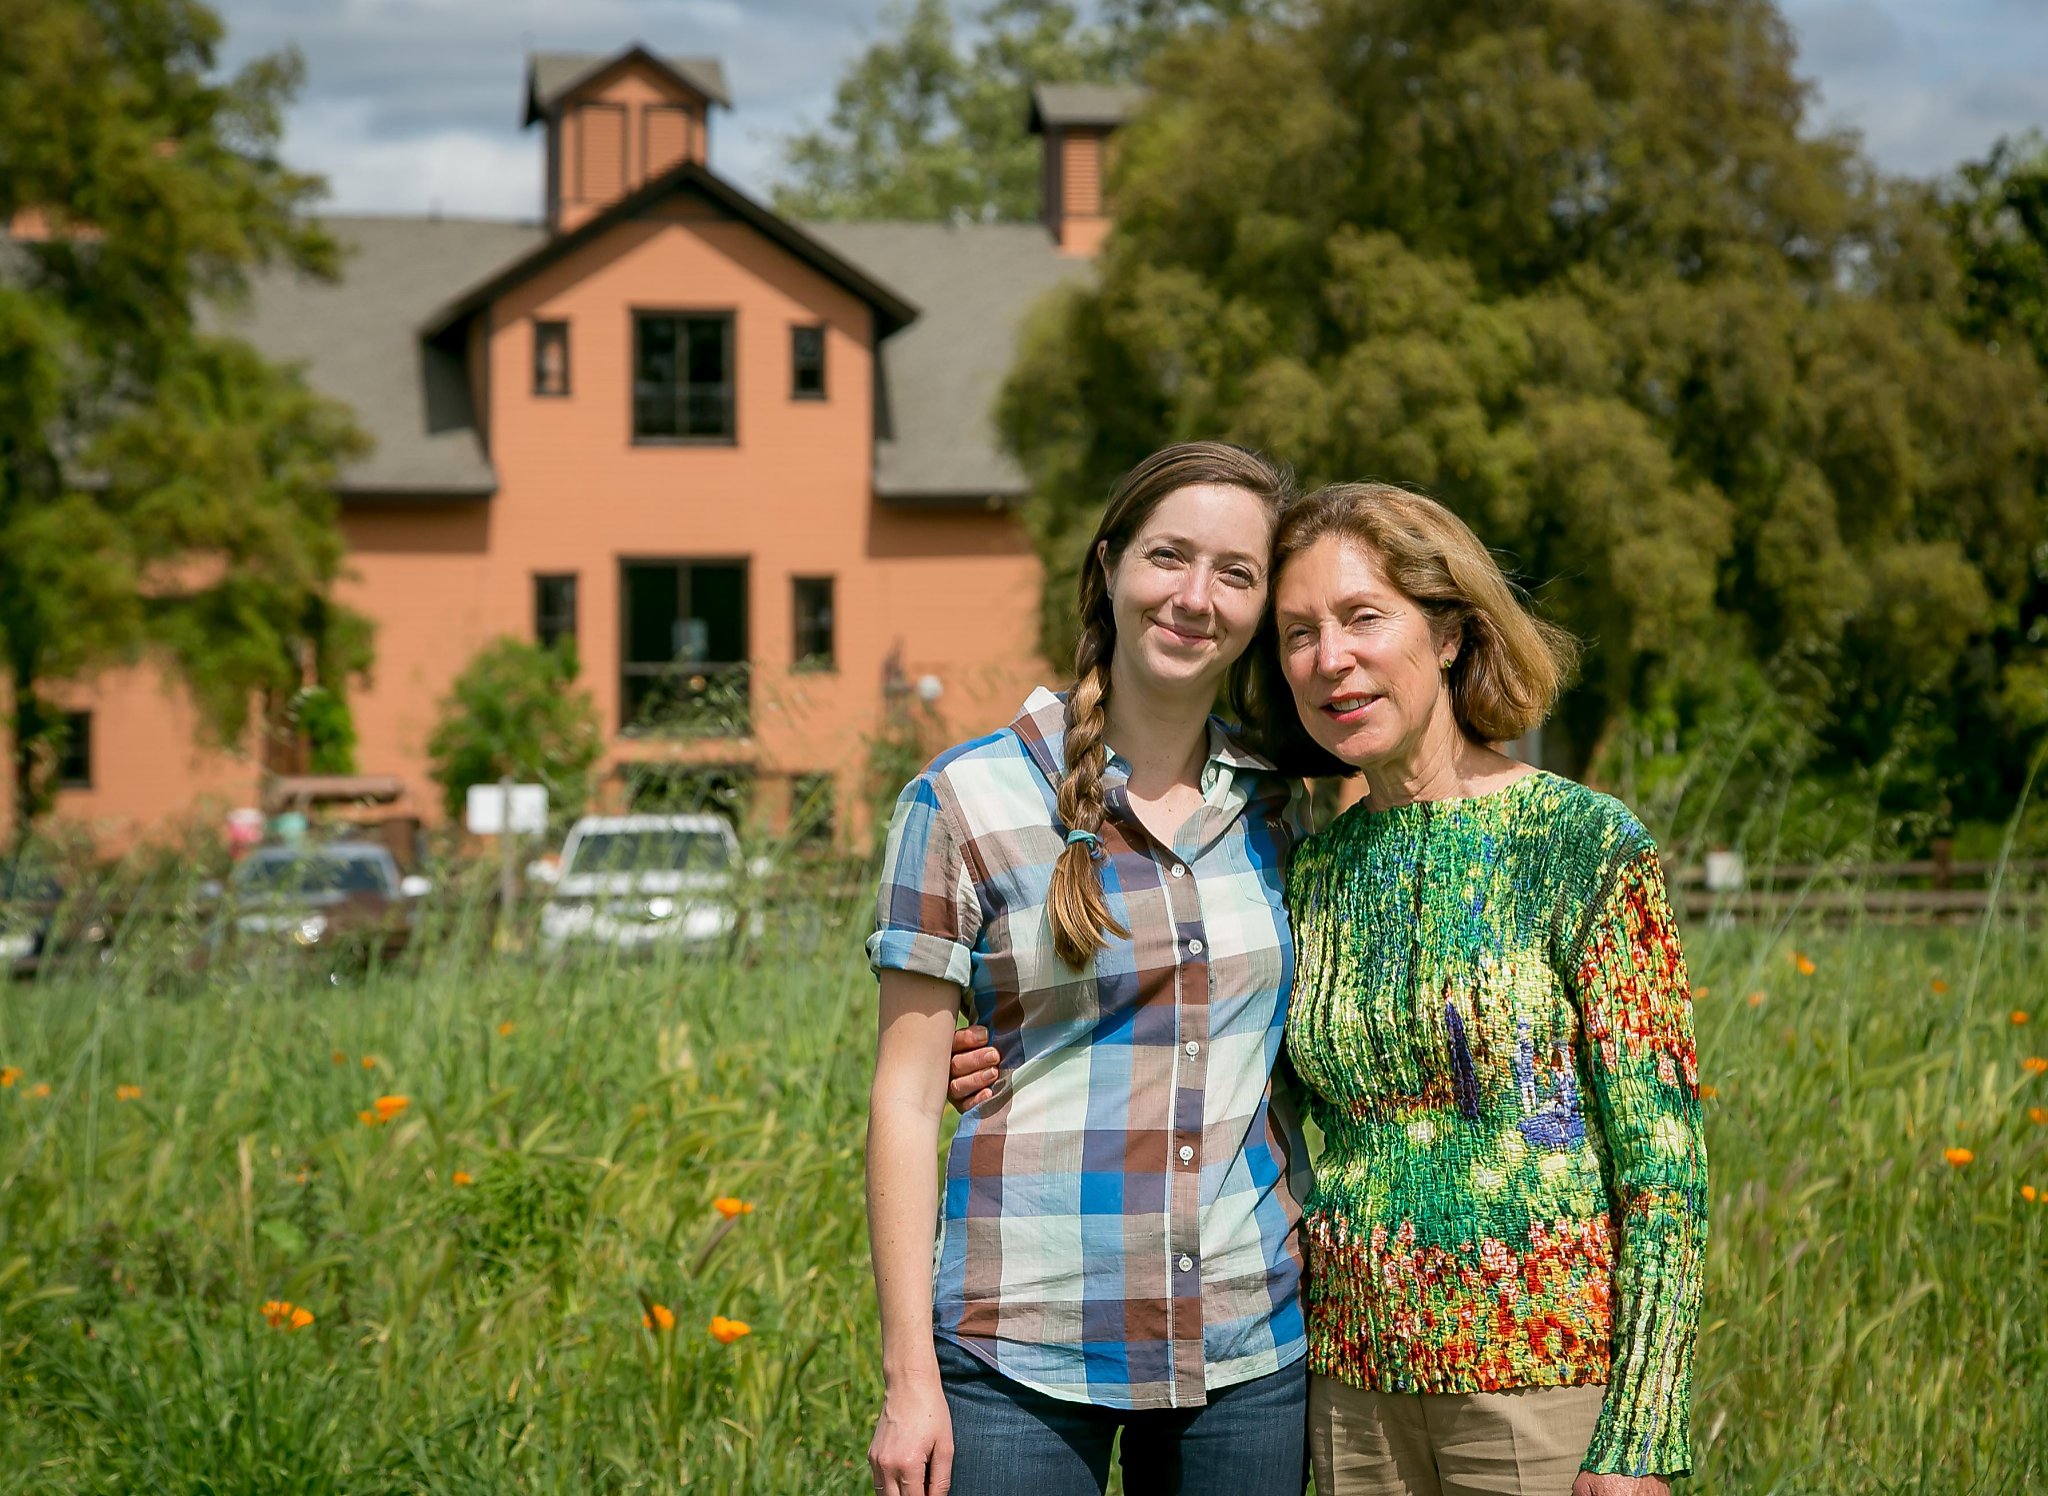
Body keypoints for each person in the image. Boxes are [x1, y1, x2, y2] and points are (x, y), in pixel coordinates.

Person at [865, 441, 1316, 1496]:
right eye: (1168, 556)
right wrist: (907, 1380)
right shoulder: (960, 799)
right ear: (1108, 564)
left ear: (1260, 608)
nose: (1194, 597)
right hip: (1016, 1345)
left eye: (1235, 573)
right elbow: (901, 1094)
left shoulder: (1285, 807)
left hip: (1245, 1343)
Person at [1246, 482, 1708, 1496]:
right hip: (1349, 1394)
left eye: (1363, 617)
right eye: (1296, 633)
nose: (1330, 659)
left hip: (1542, 1394)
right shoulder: (1308, 872)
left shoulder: (1582, 845)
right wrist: (996, 1053)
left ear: (1450, 632)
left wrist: (1637, 1431)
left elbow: (1662, 1163)